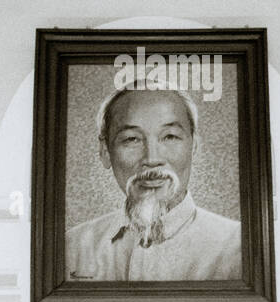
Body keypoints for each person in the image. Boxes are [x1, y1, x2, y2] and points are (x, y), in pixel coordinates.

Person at [66, 86, 241, 282]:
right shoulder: (73, 246)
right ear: (105, 152)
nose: (152, 158)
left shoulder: (237, 246)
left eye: (169, 136)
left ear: (194, 146)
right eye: (132, 139)